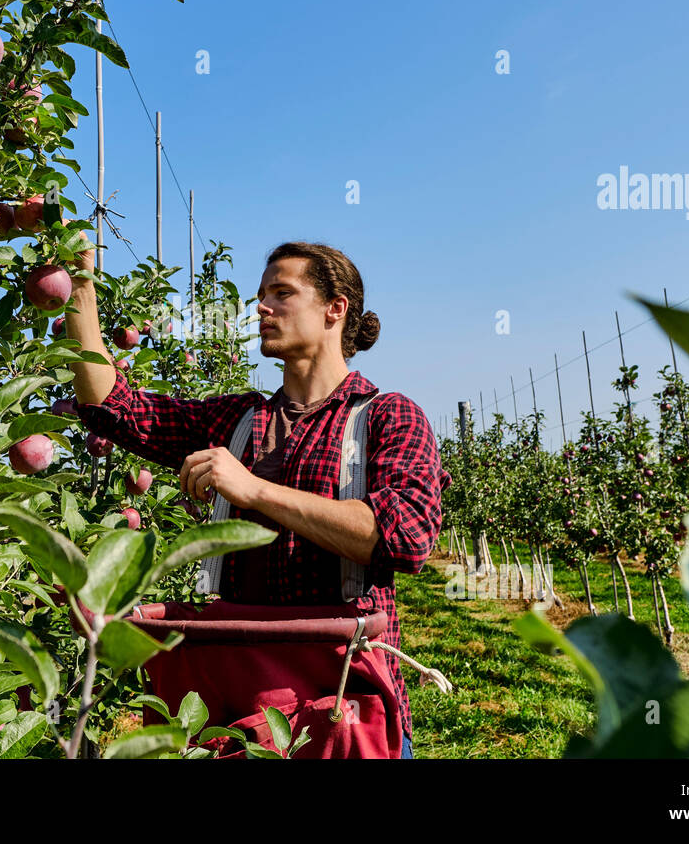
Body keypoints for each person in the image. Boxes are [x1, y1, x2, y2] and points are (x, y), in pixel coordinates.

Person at [68, 239, 450, 759]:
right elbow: (113, 405)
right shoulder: (237, 421)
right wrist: (80, 285)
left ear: (335, 309)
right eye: (260, 295)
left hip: (340, 706)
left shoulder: (388, 417)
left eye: (282, 293)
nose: (262, 308)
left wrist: (254, 488)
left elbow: (403, 539)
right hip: (238, 706)